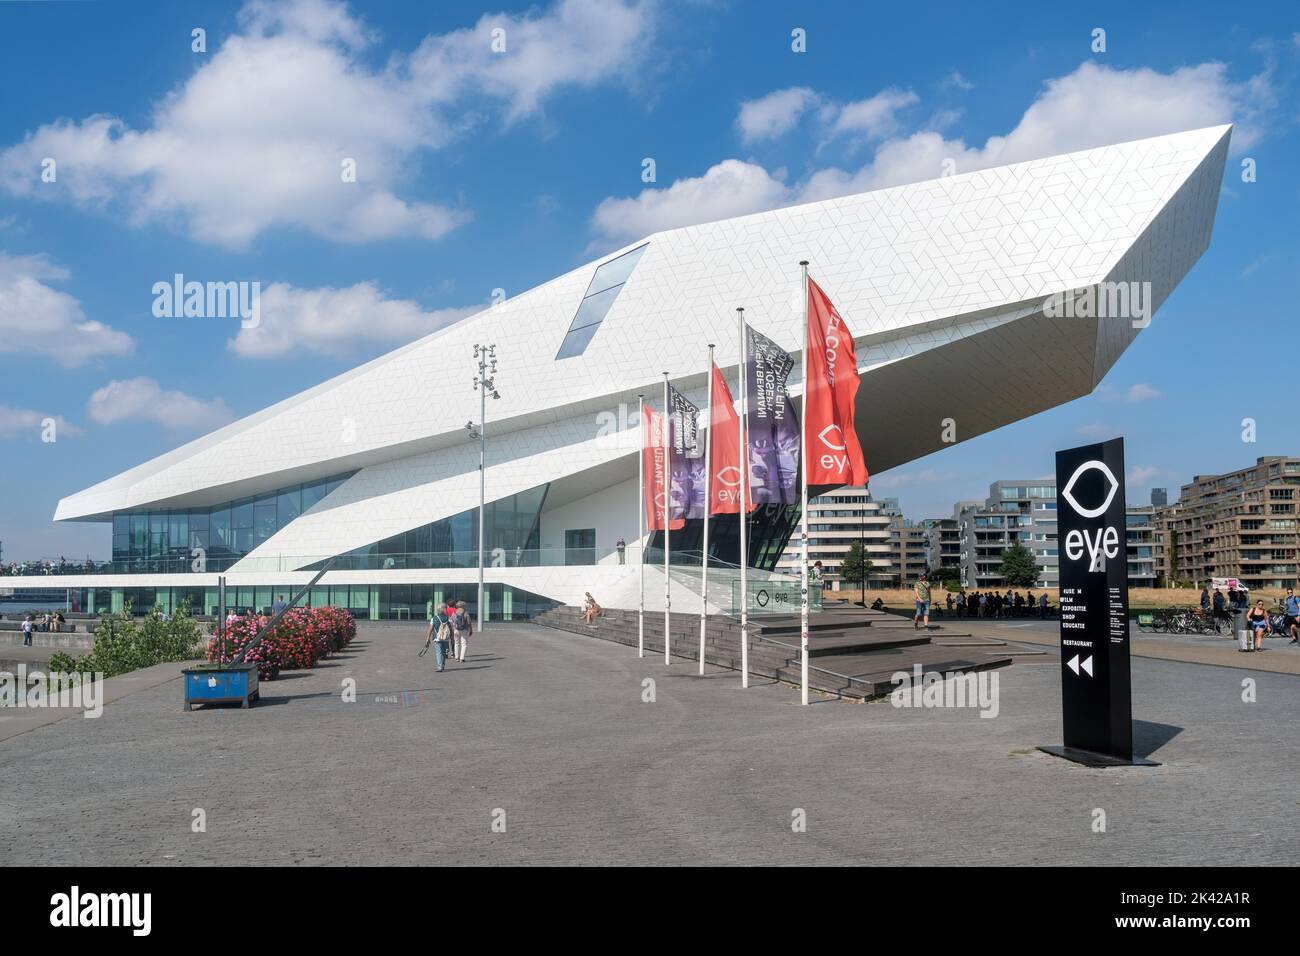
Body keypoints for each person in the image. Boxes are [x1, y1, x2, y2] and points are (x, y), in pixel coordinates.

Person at [424, 604, 452, 672]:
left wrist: (428, 638)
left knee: (439, 652)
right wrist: (452, 637)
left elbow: (430, 629)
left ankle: (440, 666)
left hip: (437, 638)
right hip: (446, 638)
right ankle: (442, 665)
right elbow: (451, 629)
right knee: (444, 652)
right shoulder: (448, 618)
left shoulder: (434, 618)